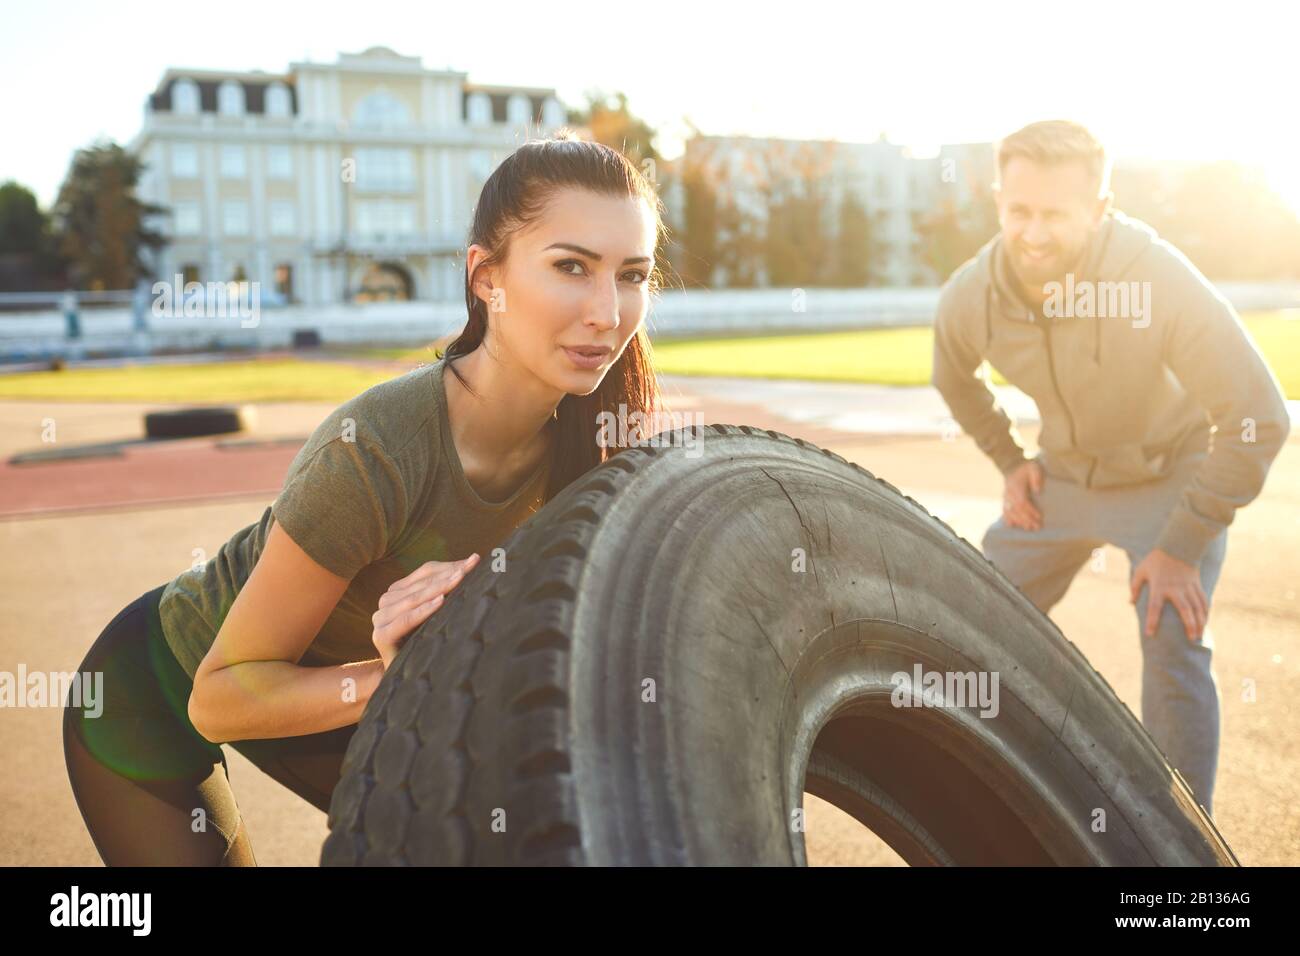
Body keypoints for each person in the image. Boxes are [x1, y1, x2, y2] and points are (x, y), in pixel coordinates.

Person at [63, 132, 668, 865]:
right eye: (571, 266)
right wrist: (393, 674)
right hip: (157, 693)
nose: (608, 311)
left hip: (351, 689)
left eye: (632, 274)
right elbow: (219, 696)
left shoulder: (601, 441)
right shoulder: (376, 448)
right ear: (486, 277)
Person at [931, 119, 1291, 817]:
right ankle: (985, 791)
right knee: (969, 609)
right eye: (1018, 211)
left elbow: (1259, 416)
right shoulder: (974, 294)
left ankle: (1183, 843)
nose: (1032, 233)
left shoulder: (1152, 277)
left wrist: (1183, 546)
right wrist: (1010, 461)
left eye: (1055, 215)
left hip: (1170, 478)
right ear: (1000, 201)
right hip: (1065, 477)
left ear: (1099, 208)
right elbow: (954, 378)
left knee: (1172, 633)